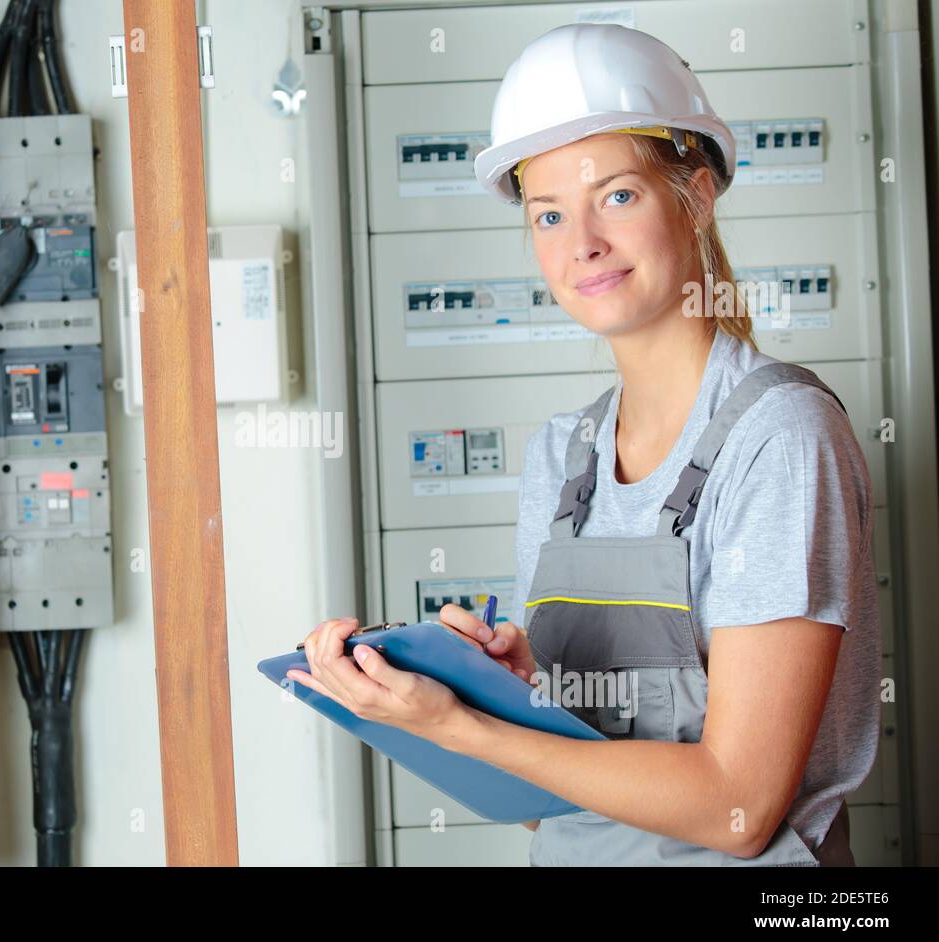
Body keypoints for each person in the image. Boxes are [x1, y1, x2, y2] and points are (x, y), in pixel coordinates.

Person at [287, 22, 880, 866]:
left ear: (697, 194)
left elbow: (739, 811)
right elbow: (549, 809)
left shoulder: (779, 438)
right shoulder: (563, 459)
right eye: (549, 214)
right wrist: (501, 694)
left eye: (619, 195)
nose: (583, 244)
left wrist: (467, 729)